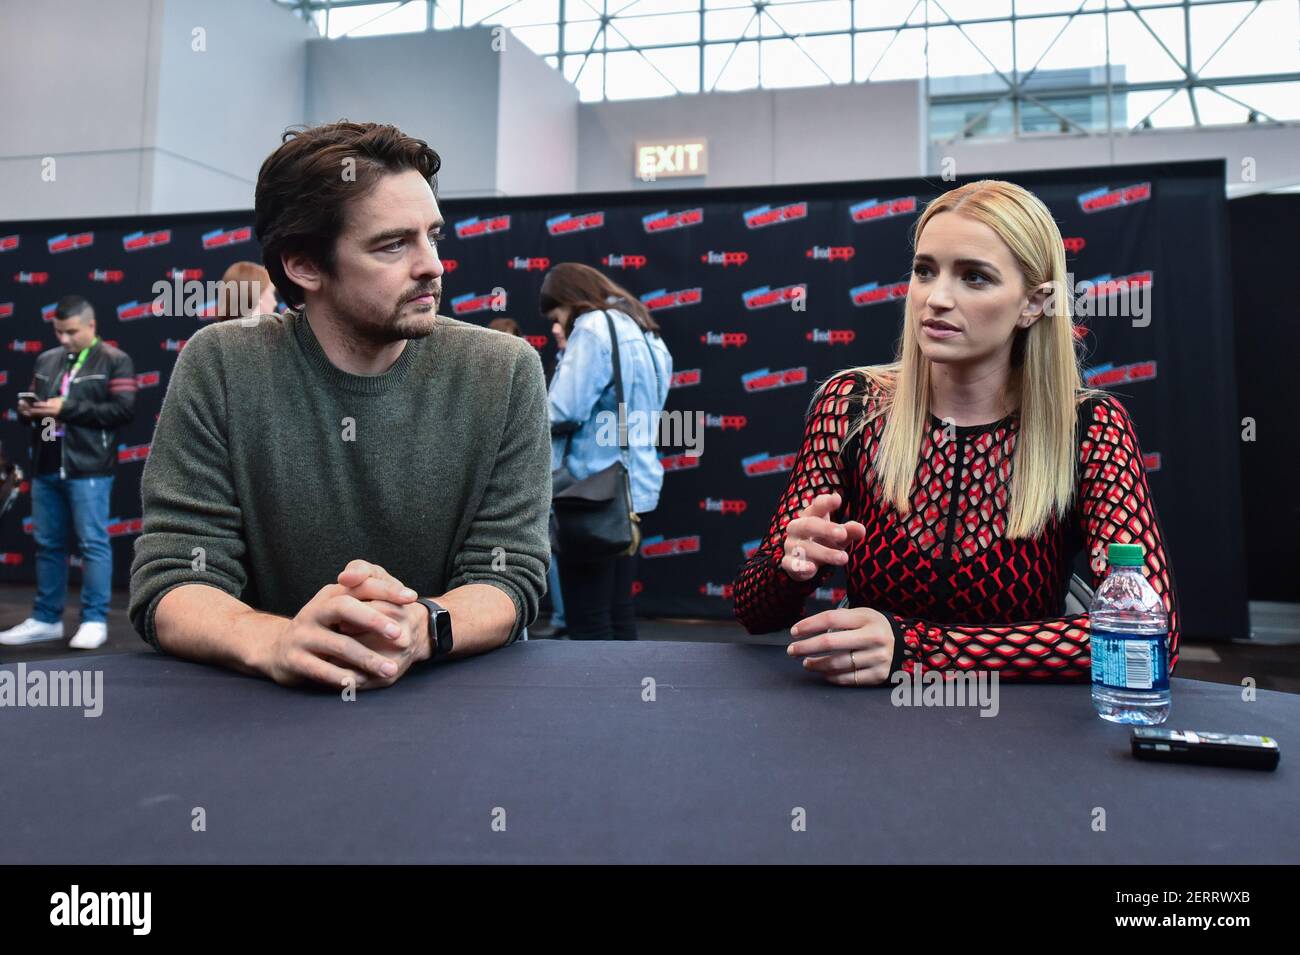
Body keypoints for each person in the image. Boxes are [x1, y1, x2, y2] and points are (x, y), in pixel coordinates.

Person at [128, 121, 552, 690]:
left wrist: (419, 627)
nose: (432, 264)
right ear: (304, 266)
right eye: (393, 244)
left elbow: (511, 571)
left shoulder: (504, 370)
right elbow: (176, 573)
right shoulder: (222, 365)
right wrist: (275, 641)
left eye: (433, 236)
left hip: (455, 715)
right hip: (259, 720)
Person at [733, 179, 1182, 685]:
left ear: (1034, 304)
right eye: (925, 271)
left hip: (1023, 739)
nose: (937, 298)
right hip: (862, 732)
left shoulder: (1087, 428)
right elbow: (753, 613)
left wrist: (916, 651)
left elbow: (1149, 637)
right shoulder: (853, 405)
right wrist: (792, 568)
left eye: (975, 277)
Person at [543, 262, 672, 640]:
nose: (559, 325)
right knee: (617, 611)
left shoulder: (593, 326)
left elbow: (563, 408)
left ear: (570, 301)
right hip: (634, 486)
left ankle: (594, 698)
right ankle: (625, 696)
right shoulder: (646, 330)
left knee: (589, 618)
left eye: (557, 314)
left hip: (590, 490)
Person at [0, 295, 137, 650]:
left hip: (88, 465)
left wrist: (68, 407)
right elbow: (37, 404)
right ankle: (46, 618)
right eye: (59, 332)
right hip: (46, 462)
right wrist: (27, 410)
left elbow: (123, 410)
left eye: (71, 332)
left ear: (91, 326)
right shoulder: (47, 359)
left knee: (93, 543)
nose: (63, 339)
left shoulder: (115, 360)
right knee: (48, 545)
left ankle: (94, 619)